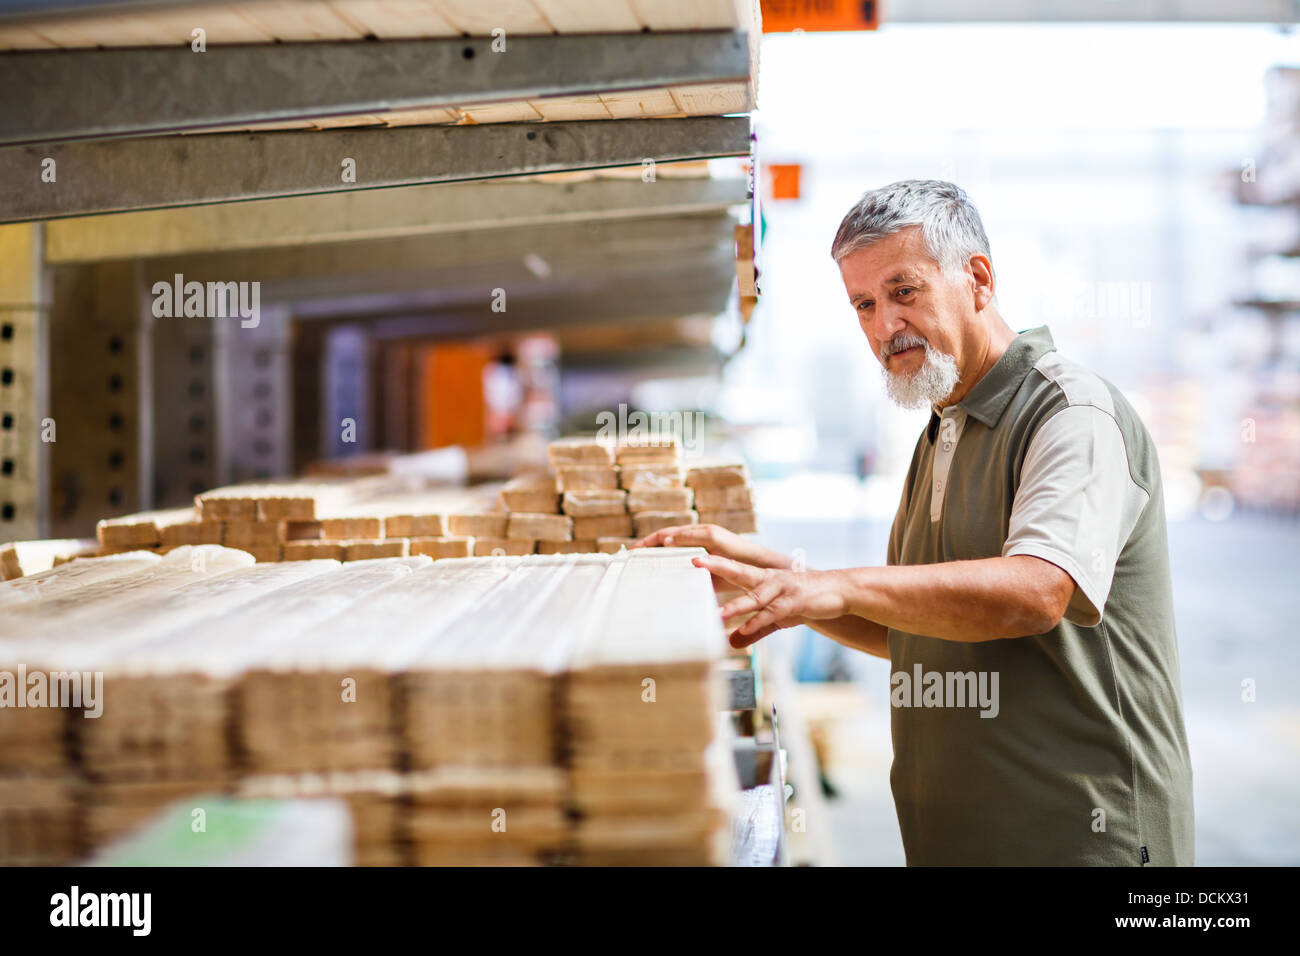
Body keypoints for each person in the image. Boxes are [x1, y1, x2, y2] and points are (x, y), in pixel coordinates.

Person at [637, 180, 1194, 866]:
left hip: (1075, 839)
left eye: (905, 292)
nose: (883, 326)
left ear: (978, 280)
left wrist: (833, 587)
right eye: (864, 304)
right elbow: (908, 626)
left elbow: (1037, 591)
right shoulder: (942, 428)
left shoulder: (1069, 414)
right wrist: (772, 577)